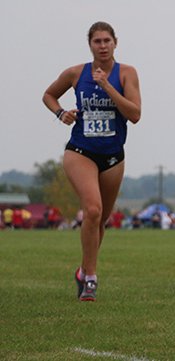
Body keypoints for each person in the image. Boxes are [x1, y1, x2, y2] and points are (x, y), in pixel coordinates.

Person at [42, 22, 142, 301]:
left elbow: (134, 114)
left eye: (107, 40)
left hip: (112, 155)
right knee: (93, 210)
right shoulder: (76, 73)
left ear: (115, 43)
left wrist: (108, 86)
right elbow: (48, 94)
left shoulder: (127, 73)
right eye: (97, 41)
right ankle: (91, 278)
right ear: (90, 45)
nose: (102, 45)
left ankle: (82, 270)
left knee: (100, 221)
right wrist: (61, 112)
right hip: (81, 150)